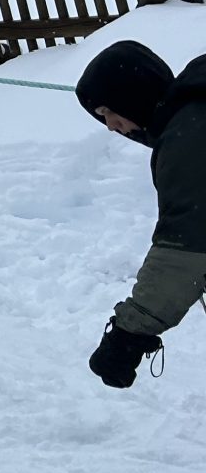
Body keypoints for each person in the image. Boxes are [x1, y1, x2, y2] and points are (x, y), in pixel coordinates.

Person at [74, 40, 206, 388]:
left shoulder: (189, 137)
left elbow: (185, 248)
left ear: (131, 95)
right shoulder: (191, 118)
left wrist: (130, 333)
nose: (110, 125)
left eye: (107, 111)